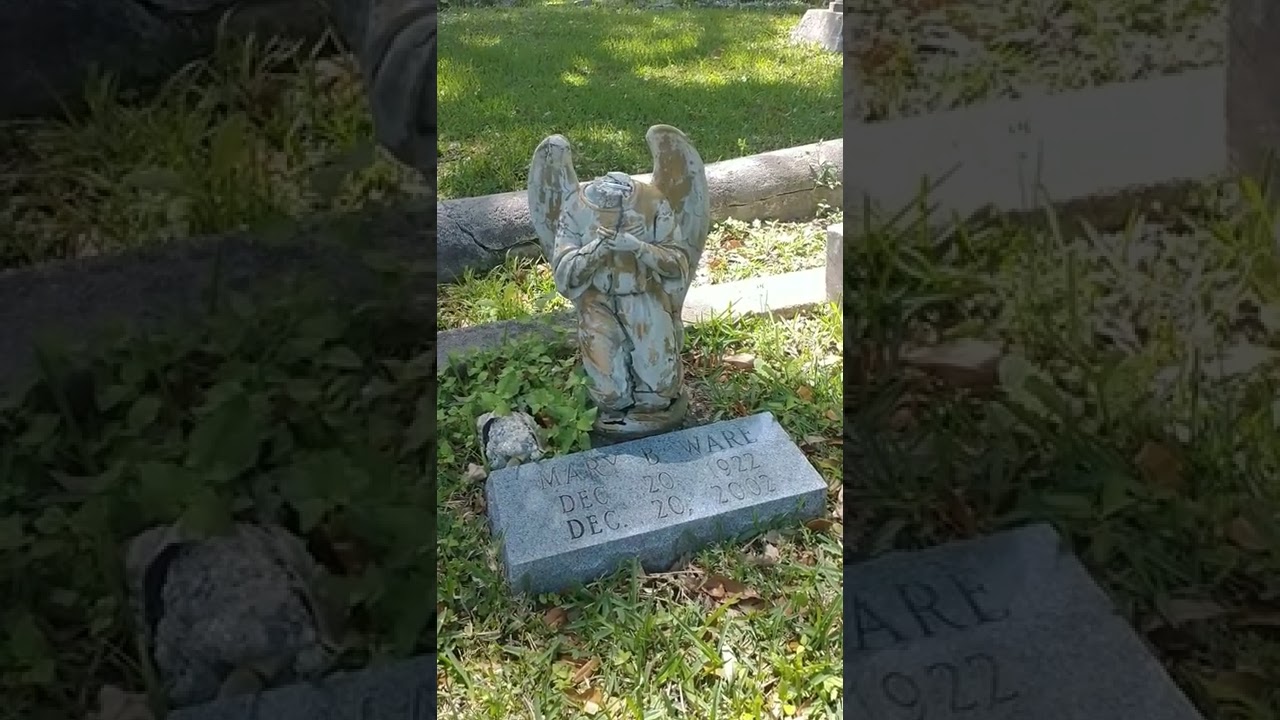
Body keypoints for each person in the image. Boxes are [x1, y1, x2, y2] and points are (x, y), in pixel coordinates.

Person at [550, 172, 692, 423]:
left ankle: (662, 371)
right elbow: (565, 274)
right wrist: (598, 247)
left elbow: (678, 264)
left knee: (657, 394)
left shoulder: (653, 202)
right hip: (598, 303)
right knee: (610, 397)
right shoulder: (575, 206)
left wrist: (638, 247)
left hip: (644, 297)